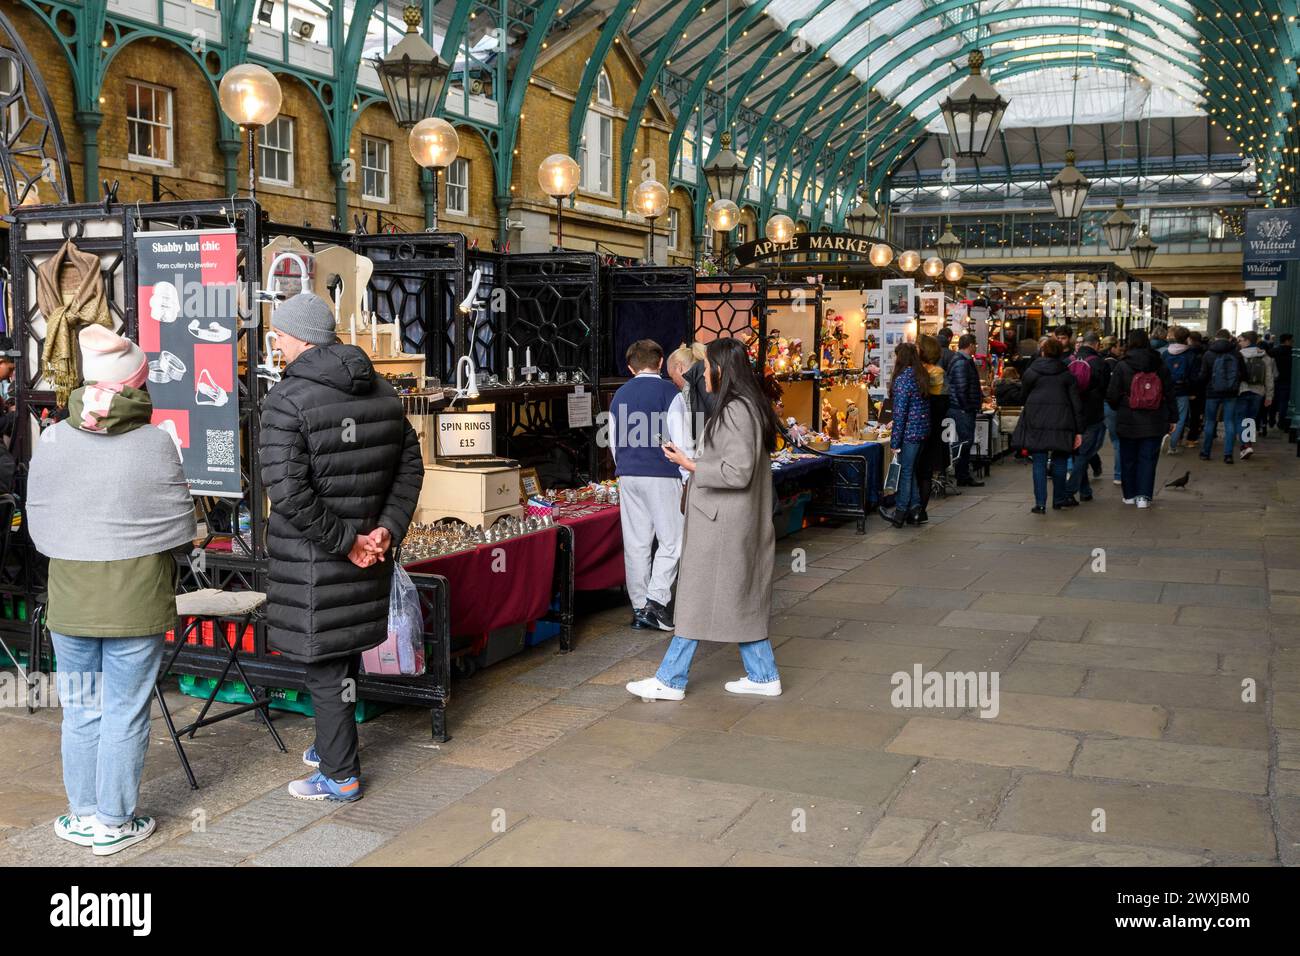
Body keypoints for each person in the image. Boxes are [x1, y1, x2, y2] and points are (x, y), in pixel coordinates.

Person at [26, 326, 197, 856]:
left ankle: (82, 816)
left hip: (72, 598)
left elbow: (39, 524)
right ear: (136, 386)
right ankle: (114, 823)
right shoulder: (156, 440)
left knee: (81, 710)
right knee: (125, 710)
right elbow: (181, 526)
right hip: (136, 597)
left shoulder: (52, 436)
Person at [259, 293, 423, 802]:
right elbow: (410, 466)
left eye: (280, 335)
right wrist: (386, 530)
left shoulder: (286, 400)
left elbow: (285, 492)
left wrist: (346, 543)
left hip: (315, 562)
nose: (277, 344)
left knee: (325, 666)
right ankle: (331, 745)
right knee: (343, 652)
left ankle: (340, 775)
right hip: (369, 554)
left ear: (301, 338)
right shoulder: (382, 391)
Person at [625, 337, 784, 701]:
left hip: (722, 524)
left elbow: (737, 471)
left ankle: (670, 680)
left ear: (722, 369)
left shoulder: (736, 410)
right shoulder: (745, 406)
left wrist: (690, 463)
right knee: (738, 601)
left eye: (707, 365)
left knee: (696, 604)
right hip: (730, 521)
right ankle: (762, 675)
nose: (702, 372)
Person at [610, 339, 685, 631]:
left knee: (637, 542)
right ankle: (655, 601)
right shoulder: (670, 392)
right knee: (673, 540)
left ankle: (640, 606)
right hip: (663, 472)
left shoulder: (619, 395)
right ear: (661, 361)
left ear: (630, 367)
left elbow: (615, 442)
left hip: (628, 473)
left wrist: (625, 466)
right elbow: (679, 438)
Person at [1107, 328, 1178, 507]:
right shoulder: (1160, 365)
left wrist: (1121, 405)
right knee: (1148, 459)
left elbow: (1112, 395)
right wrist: (1173, 418)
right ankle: (1143, 497)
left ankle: (1129, 495)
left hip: (1128, 418)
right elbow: (1169, 392)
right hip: (1155, 418)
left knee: (1128, 458)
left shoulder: (1122, 365)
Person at [1012, 337, 1083, 514]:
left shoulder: (1031, 372)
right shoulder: (1067, 375)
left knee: (1039, 462)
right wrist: (1079, 431)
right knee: (1059, 462)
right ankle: (1058, 499)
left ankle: (1040, 503)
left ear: (1043, 352)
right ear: (1060, 353)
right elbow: (1077, 404)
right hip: (1062, 421)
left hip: (1036, 420)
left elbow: (1023, 396)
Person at [879, 341, 930, 528]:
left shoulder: (902, 379)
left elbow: (900, 413)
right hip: (922, 432)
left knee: (905, 472)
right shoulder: (921, 375)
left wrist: (895, 441)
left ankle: (899, 513)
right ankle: (916, 511)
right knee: (911, 470)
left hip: (909, 434)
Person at [1065, 331, 1109, 503]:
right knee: (1086, 453)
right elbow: (1106, 389)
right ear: (1096, 344)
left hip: (1072, 413)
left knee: (1078, 453)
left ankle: (1085, 491)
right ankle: (1069, 491)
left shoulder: (1068, 362)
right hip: (1093, 413)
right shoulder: (1100, 363)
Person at [912, 334, 949, 525]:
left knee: (922, 471)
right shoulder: (936, 372)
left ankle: (918, 510)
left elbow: (936, 402)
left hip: (927, 428)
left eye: (917, 346)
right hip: (933, 429)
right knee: (923, 472)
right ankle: (919, 511)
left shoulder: (931, 374)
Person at [1198, 328, 1247, 464]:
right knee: (1229, 423)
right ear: (1229, 338)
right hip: (1231, 393)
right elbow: (1244, 374)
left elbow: (1203, 376)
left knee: (1210, 422)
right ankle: (1228, 455)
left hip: (1212, 392)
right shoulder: (1236, 354)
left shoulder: (1208, 354)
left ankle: (1205, 452)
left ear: (1216, 338)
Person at [947, 333, 984, 487]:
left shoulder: (961, 361)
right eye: (974, 345)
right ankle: (962, 474)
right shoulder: (962, 362)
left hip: (961, 407)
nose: (975, 347)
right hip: (962, 409)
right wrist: (966, 406)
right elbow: (962, 388)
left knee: (965, 441)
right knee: (965, 441)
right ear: (970, 345)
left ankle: (962, 473)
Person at [1236, 330, 1274, 460]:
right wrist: (1269, 396)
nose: (1239, 343)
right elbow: (1269, 378)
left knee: (1241, 418)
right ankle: (1249, 444)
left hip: (1242, 390)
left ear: (1247, 341)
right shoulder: (1265, 356)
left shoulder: (1239, 355)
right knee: (1251, 419)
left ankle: (1245, 446)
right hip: (1258, 391)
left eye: (1241, 340)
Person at [1159, 325, 1196, 454]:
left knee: (1166, 415)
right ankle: (1172, 446)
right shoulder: (1190, 354)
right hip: (1183, 390)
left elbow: (1160, 372)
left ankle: (1164, 436)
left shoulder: (1165, 353)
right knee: (1180, 419)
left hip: (1167, 389)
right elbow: (1193, 375)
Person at [1101, 336, 1124, 485]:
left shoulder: (1098, 361)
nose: (1121, 349)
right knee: (1117, 441)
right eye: (1118, 346)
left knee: (1094, 439)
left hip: (1098, 403)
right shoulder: (1117, 365)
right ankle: (1118, 475)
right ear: (1112, 348)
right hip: (1111, 404)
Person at [1184, 330, 1208, 447]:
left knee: (1183, 413)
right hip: (1201, 388)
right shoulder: (1205, 352)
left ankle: (1178, 437)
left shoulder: (1188, 353)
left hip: (1188, 387)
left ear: (1190, 340)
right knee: (1195, 414)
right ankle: (1192, 439)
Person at [1268, 332, 1292, 432]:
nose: (1292, 343)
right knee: (1283, 402)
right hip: (1286, 379)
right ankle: (1281, 422)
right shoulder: (1291, 352)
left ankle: (1271, 419)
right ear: (1287, 341)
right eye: (1292, 341)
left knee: (1273, 401)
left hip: (1275, 379)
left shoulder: (1274, 351)